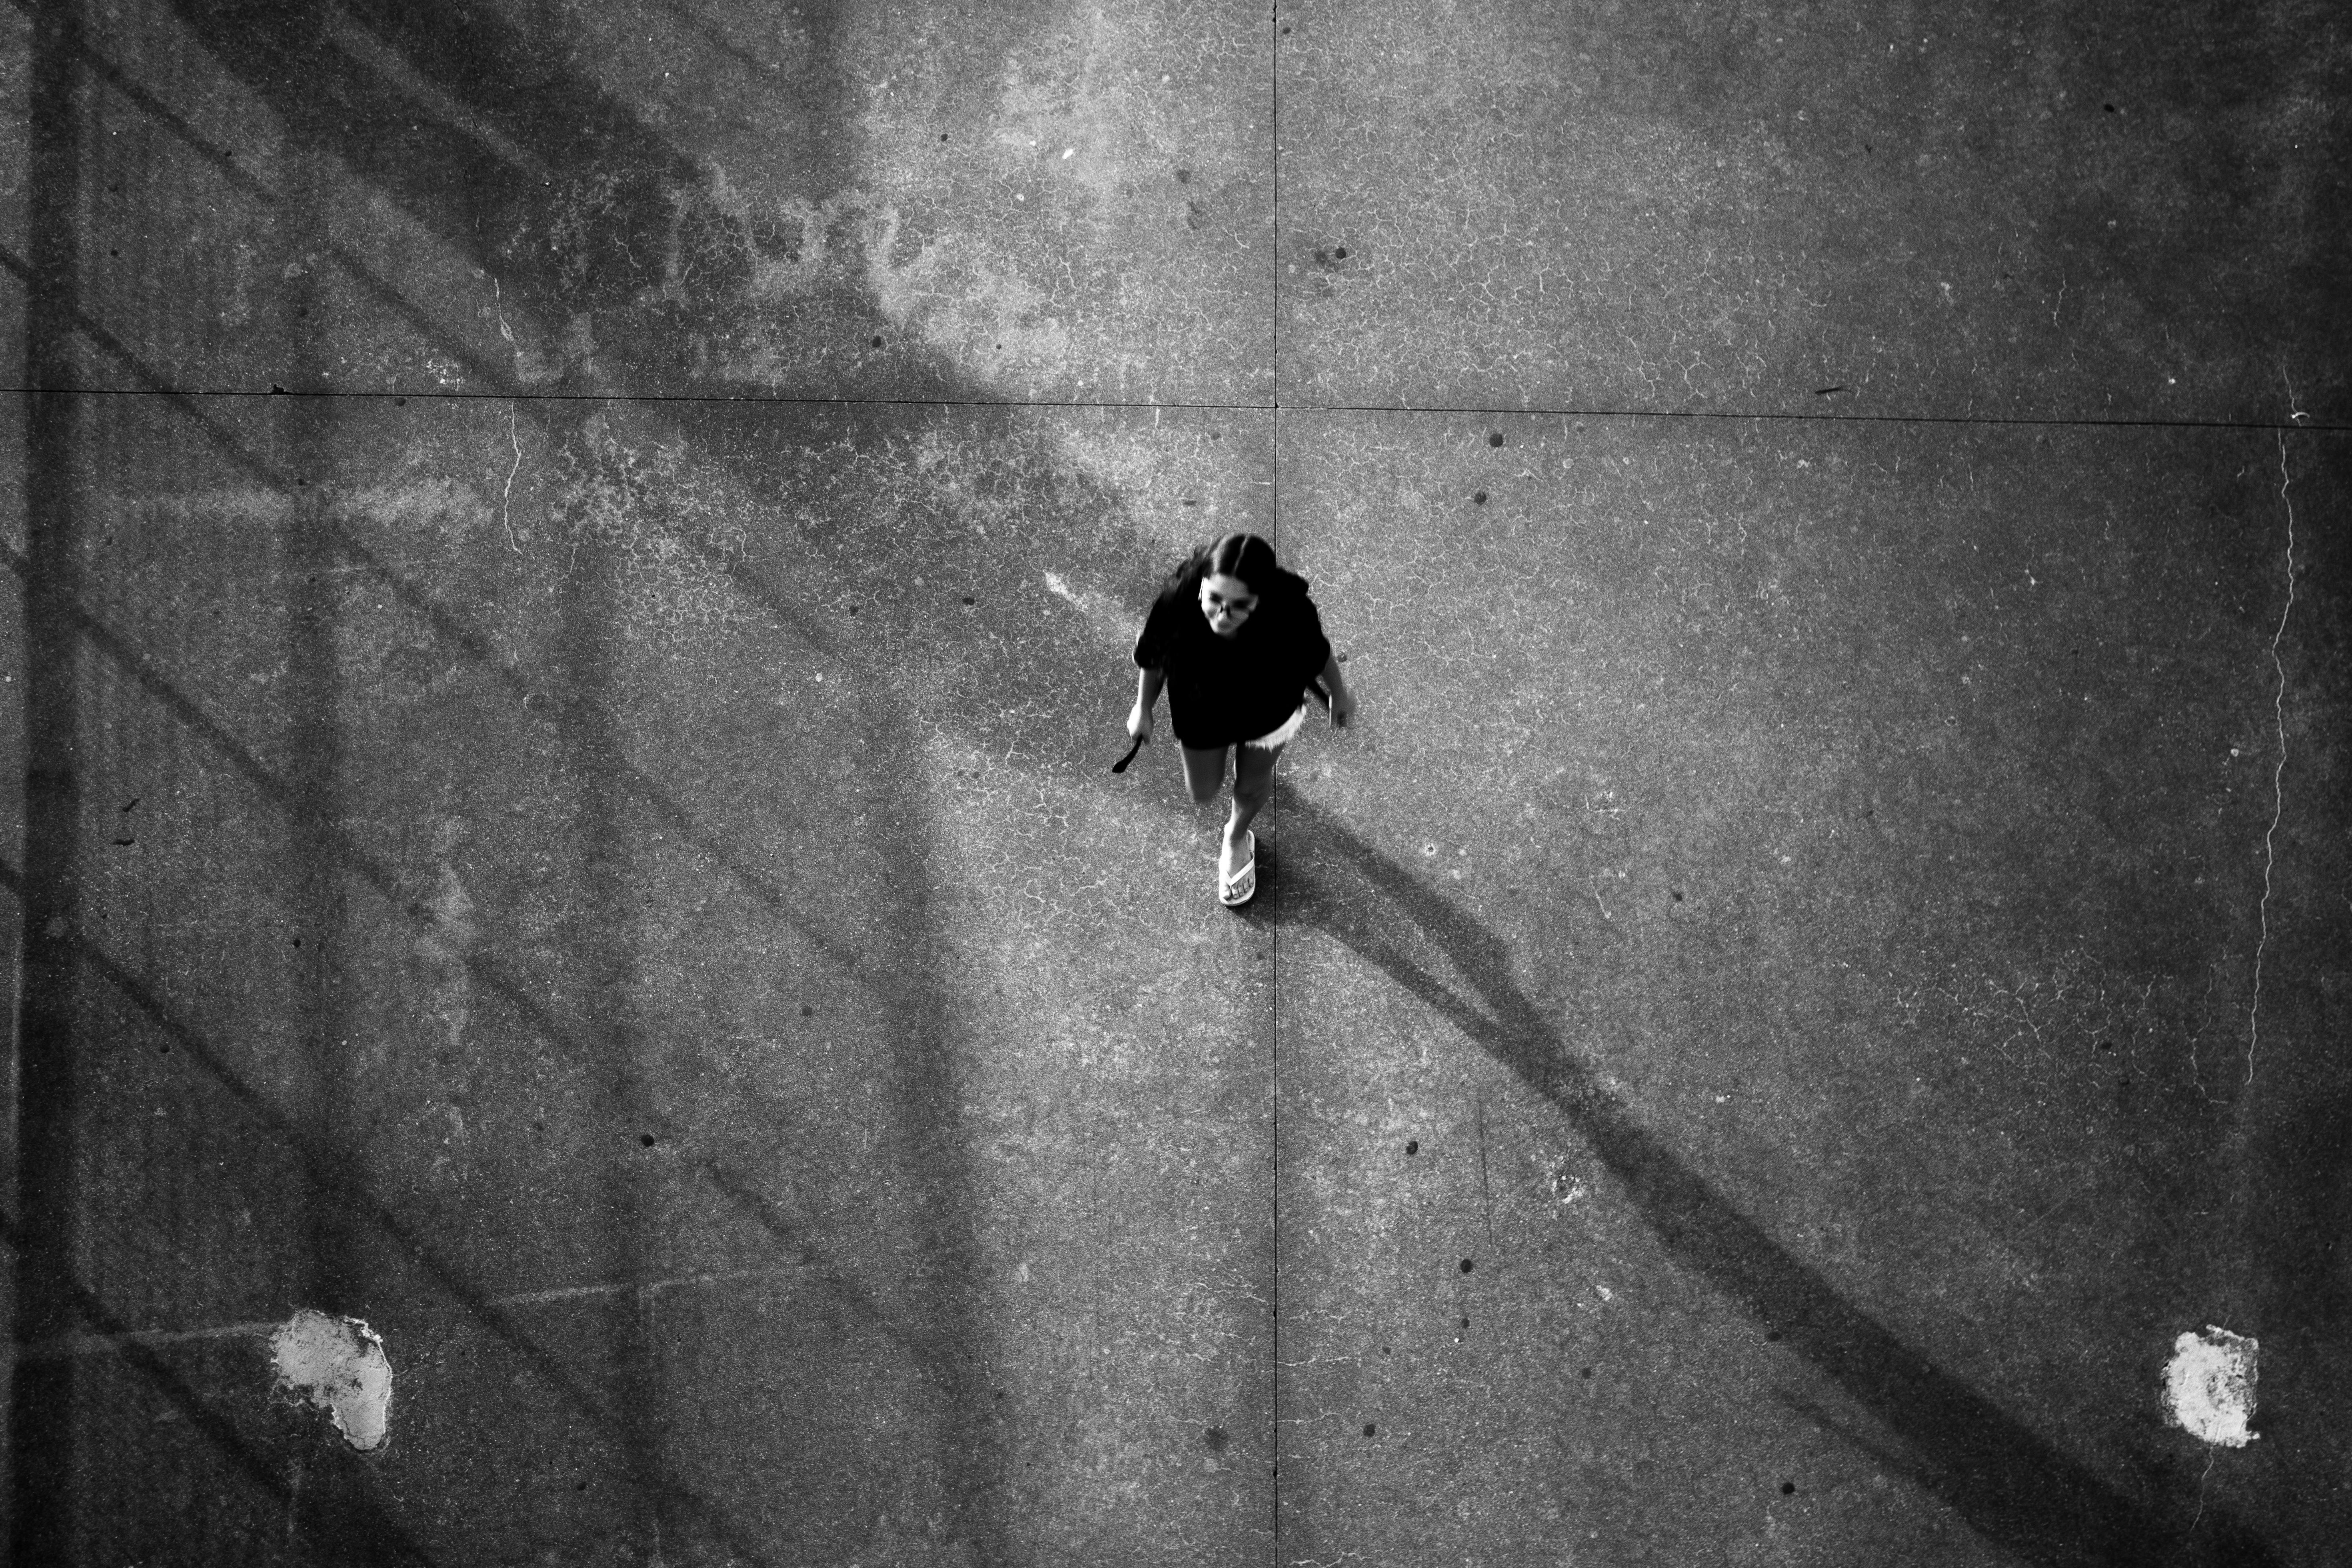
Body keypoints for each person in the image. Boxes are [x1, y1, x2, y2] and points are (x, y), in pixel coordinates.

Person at [1129, 531, 1355, 907]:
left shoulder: (1289, 610)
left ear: (1261, 598)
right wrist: (1143, 706)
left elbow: (1318, 653)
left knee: (1251, 785)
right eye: (1214, 598)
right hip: (1201, 710)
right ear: (1201, 586)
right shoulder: (1178, 600)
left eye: (1239, 605)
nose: (1222, 614)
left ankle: (1236, 835)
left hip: (1268, 709)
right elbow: (1153, 656)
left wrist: (1339, 692)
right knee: (1202, 792)